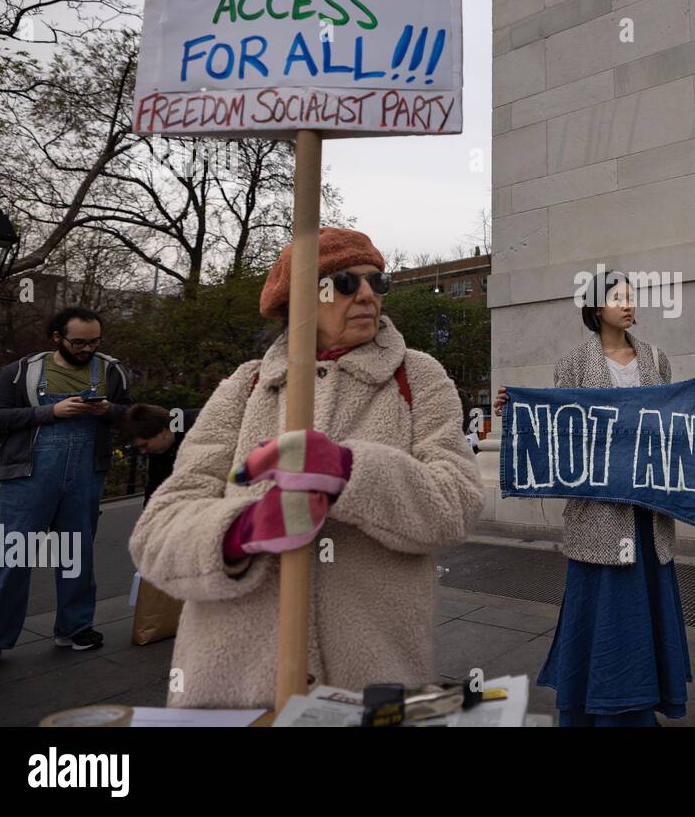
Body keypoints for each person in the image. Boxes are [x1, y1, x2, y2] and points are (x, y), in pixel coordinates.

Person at [128, 228, 483, 708]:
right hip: (233, 689)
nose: (366, 295)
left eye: (377, 282)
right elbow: (156, 534)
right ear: (298, 299)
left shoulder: (417, 376)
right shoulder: (245, 386)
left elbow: (457, 504)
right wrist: (240, 532)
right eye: (342, 283)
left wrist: (348, 470)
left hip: (369, 683)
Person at [494, 270, 695, 727]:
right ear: (595, 308)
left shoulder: (655, 358)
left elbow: (672, 422)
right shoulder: (573, 363)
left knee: (645, 610)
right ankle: (598, 709)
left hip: (648, 515)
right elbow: (562, 430)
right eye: (618, 297)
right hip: (601, 518)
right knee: (606, 614)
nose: (629, 304)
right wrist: (519, 409)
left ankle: (640, 707)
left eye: (632, 297)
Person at [0, 307, 133, 677]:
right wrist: (49, 413)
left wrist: (110, 410)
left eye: (94, 341)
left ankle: (74, 628)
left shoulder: (111, 370)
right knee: (13, 559)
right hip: (27, 479)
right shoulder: (20, 371)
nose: (87, 348)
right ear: (57, 337)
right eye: (78, 342)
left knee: (76, 555)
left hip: (84, 477)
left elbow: (128, 414)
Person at [121, 404, 202, 507]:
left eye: (144, 445)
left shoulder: (199, 427)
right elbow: (155, 487)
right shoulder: (159, 450)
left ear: (162, 432)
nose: (143, 451)